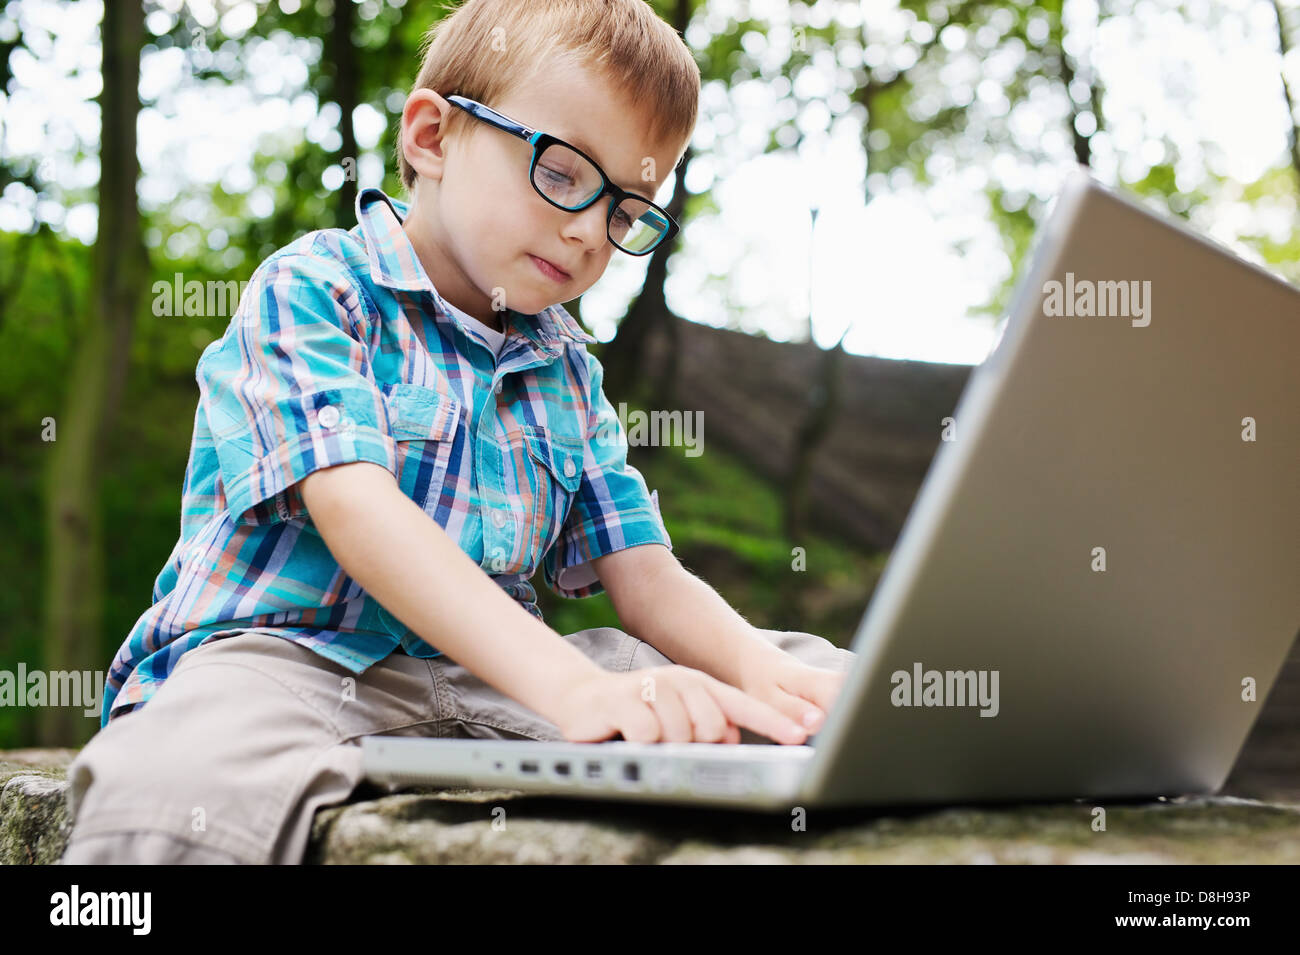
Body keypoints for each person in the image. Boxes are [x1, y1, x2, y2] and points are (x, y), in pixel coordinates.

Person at [61, 0, 856, 865]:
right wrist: (568, 684)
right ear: (433, 138)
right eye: (562, 173)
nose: (591, 231)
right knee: (173, 784)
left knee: (797, 687)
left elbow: (647, 578)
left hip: (492, 682)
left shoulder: (567, 372)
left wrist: (757, 669)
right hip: (288, 661)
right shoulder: (317, 290)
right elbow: (359, 513)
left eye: (627, 212)